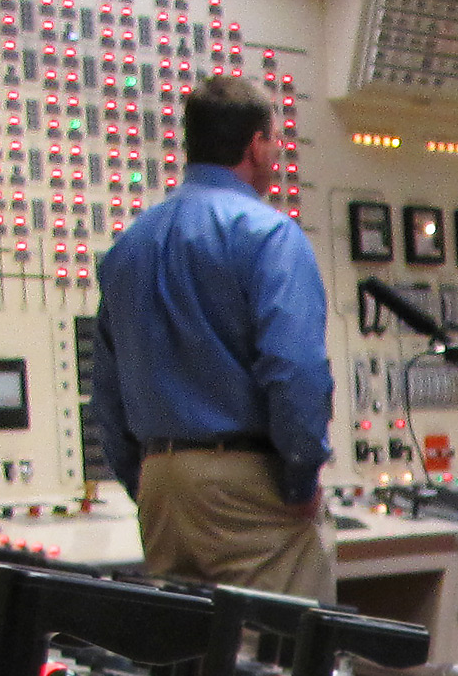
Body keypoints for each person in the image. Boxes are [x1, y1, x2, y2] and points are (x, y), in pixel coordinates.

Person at [91, 77, 335, 601]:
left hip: (161, 483)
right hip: (248, 485)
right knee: (279, 643)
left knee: (187, 644)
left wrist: (146, 479)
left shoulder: (128, 248)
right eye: (273, 142)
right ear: (256, 145)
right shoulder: (269, 236)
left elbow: (107, 394)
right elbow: (295, 370)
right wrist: (301, 479)